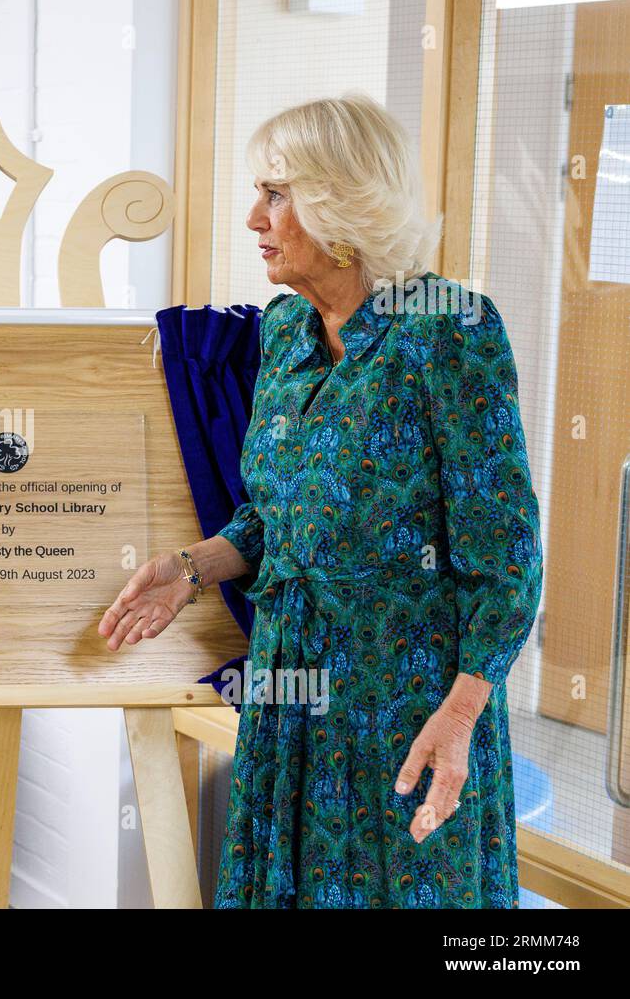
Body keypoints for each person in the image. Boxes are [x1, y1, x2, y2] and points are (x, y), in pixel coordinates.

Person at [100, 93, 543, 908]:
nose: (252, 217)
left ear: (342, 204)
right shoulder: (286, 333)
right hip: (290, 694)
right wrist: (191, 569)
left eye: (275, 194)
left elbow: (508, 553)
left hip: (408, 709)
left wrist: (462, 715)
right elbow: (279, 521)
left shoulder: (447, 329)